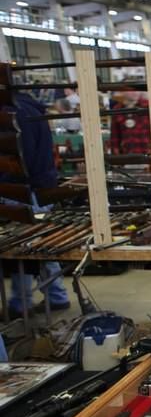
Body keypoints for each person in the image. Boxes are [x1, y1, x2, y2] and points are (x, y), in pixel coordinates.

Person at [2, 92, 70, 314]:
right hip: (36, 184)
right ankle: (56, 295)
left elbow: (21, 158)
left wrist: (7, 182)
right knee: (40, 245)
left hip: (25, 188)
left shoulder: (14, 113)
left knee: (23, 246)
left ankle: (21, 302)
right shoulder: (27, 109)